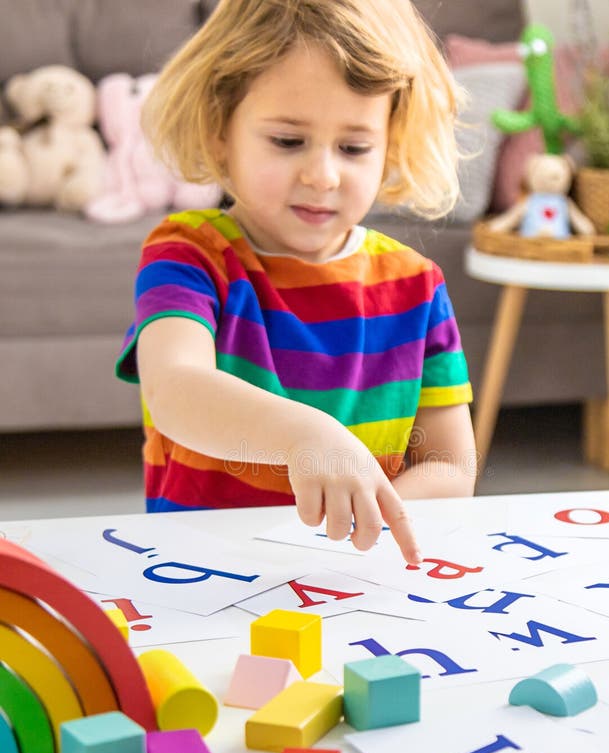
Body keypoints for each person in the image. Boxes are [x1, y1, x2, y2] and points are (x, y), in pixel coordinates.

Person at [115, 0, 476, 566]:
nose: (323, 175)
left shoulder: (417, 285)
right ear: (219, 133)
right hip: (205, 573)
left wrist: (367, 527)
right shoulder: (190, 253)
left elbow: (451, 466)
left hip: (357, 575)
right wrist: (305, 437)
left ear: (391, 146)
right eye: (288, 141)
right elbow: (175, 389)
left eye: (354, 148)